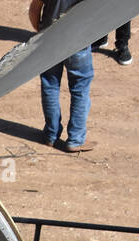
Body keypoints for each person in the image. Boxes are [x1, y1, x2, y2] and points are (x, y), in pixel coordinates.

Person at [28, 0, 95, 153]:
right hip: (78, 40)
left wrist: (42, 31)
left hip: (50, 38)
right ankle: (76, 139)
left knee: (50, 84)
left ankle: (51, 135)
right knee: (80, 89)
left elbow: (34, 8)